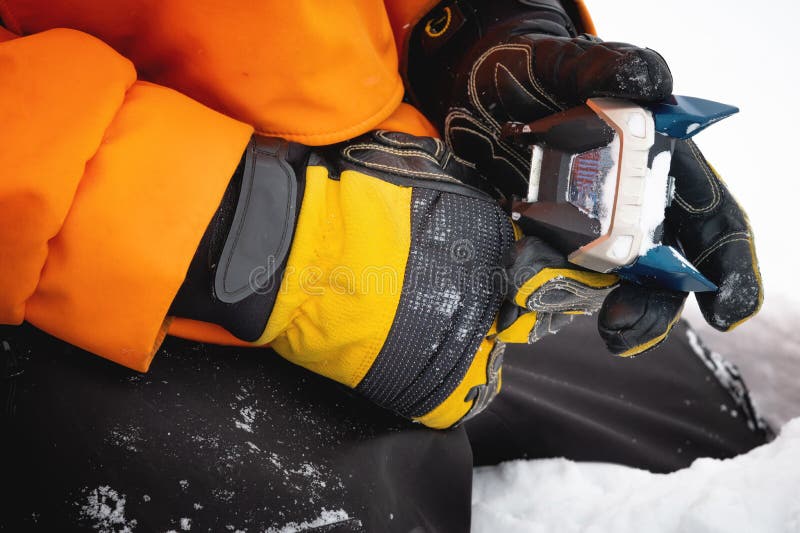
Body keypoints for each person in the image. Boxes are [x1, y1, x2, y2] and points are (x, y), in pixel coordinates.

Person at [0, 1, 770, 531]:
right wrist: (240, 227)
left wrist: (469, 27)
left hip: (404, 181)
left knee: (709, 445)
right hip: (79, 263)